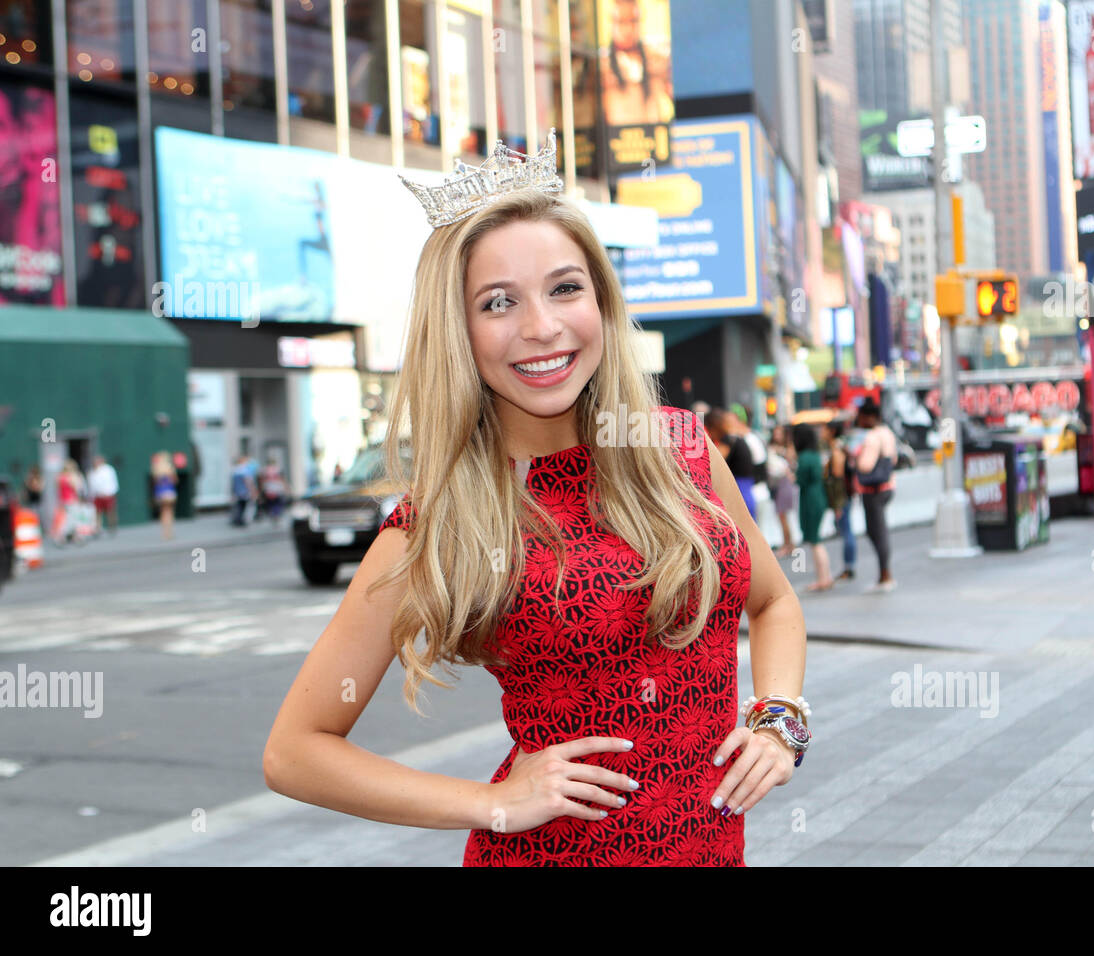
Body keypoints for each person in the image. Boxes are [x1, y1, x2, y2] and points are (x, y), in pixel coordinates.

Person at [263, 151, 810, 867]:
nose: (543, 326)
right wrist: (490, 803)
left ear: (602, 302)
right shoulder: (442, 520)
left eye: (565, 288)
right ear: (457, 331)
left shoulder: (680, 447)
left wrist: (779, 721)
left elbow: (773, 605)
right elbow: (294, 752)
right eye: (499, 301)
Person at [854, 398, 898, 592]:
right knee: (879, 531)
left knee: (876, 531)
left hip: (873, 491)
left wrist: (855, 459)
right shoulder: (888, 433)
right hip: (888, 487)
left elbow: (866, 465)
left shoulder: (872, 437)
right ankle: (884, 572)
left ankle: (885, 574)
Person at [791, 423, 833, 593]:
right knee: (817, 540)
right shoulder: (815, 455)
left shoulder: (804, 457)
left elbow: (800, 480)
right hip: (818, 495)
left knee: (815, 541)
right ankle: (826, 577)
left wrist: (791, 475)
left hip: (810, 498)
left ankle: (823, 578)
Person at [703, 408, 757, 518]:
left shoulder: (728, 440)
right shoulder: (736, 438)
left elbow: (712, 464)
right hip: (746, 489)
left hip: (739, 490)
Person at [822, 420, 855, 581]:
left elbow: (837, 475)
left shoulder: (837, 448)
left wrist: (837, 503)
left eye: (825, 429)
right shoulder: (841, 445)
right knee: (846, 529)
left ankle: (849, 566)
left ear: (832, 431)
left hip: (842, 497)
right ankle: (849, 566)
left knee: (846, 530)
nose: (822, 432)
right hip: (845, 495)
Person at [767, 424, 796, 557]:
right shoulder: (772, 448)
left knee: (783, 515)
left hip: (784, 483)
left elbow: (792, 466)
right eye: (775, 433)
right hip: (776, 484)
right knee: (782, 516)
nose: (776, 436)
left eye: (779, 433)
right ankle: (789, 543)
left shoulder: (788, 449)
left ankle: (788, 544)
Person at [87, 454, 119, 536]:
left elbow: (113, 482)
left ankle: (112, 527)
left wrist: (110, 493)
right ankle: (98, 529)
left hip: (108, 494)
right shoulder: (92, 472)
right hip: (97, 496)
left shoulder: (108, 469)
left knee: (110, 512)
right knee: (97, 513)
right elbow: (92, 485)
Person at [151, 451, 178, 541]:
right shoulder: (170, 467)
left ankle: (164, 533)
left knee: (163, 512)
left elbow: (155, 482)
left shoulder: (156, 468)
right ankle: (169, 532)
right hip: (169, 492)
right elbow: (175, 480)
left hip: (160, 493)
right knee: (169, 511)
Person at [260, 459, 287, 528]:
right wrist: (285, 488)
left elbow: (262, 481)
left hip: (268, 488)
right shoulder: (277, 469)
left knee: (271, 503)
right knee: (277, 503)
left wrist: (262, 489)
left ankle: (273, 514)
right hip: (277, 488)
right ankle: (276, 515)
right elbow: (281, 479)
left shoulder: (265, 470)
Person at [230, 455, 254, 526]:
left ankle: (238, 520)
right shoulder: (244, 470)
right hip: (244, 492)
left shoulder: (235, 470)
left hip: (238, 492)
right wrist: (253, 491)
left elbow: (233, 483)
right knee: (244, 506)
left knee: (239, 506)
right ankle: (241, 520)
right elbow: (248, 482)